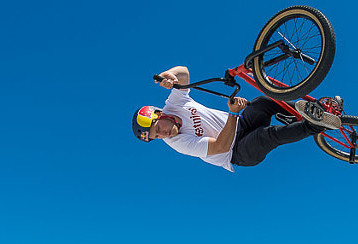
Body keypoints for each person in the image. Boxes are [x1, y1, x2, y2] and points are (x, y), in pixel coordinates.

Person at [132, 65, 340, 172]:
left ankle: (309, 112)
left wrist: (170, 75)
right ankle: (316, 125)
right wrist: (232, 113)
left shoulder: (174, 104)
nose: (163, 135)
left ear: (160, 114)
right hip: (236, 152)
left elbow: (184, 73)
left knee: (261, 102)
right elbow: (221, 146)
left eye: (157, 129)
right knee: (265, 136)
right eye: (157, 137)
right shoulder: (178, 143)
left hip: (240, 125)